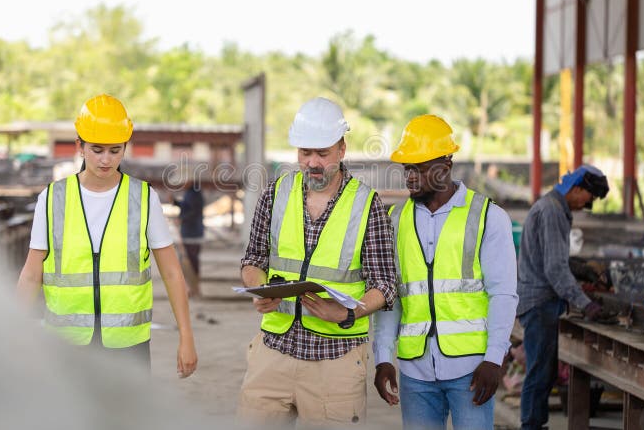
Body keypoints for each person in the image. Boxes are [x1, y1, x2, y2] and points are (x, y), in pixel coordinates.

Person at [238, 97, 397, 426]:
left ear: (342, 149)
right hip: (273, 353)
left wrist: (348, 311)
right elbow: (252, 260)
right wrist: (259, 288)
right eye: (304, 152)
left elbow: (386, 283)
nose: (312, 162)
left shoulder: (367, 204)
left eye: (322, 153)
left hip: (335, 361)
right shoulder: (275, 193)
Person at [16, 94, 198, 376]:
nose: (105, 159)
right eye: (97, 149)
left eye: (115, 150)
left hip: (128, 346)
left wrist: (186, 336)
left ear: (125, 148)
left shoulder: (143, 198)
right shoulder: (52, 199)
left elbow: (172, 273)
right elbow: (30, 275)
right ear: (80, 146)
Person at [372, 114, 519, 430]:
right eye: (407, 169)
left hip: (472, 369)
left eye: (420, 169)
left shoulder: (488, 217)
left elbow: (503, 293)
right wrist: (383, 356)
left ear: (446, 165)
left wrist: (495, 358)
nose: (410, 178)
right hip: (415, 372)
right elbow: (391, 296)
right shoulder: (395, 220)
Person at [516, 164, 609, 430]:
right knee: (540, 372)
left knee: (543, 371)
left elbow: (552, 258)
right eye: (588, 198)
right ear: (577, 188)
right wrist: (586, 303)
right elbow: (555, 269)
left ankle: (534, 424)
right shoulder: (553, 211)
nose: (587, 205)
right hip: (539, 304)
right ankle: (531, 425)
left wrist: (582, 269)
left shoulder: (551, 207)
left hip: (540, 302)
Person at [174, 181, 205, 297]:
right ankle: (191, 288)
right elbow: (186, 207)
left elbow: (194, 211)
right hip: (188, 233)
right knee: (186, 261)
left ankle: (195, 288)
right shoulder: (189, 192)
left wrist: (182, 219)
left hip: (194, 233)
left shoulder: (196, 193)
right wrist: (175, 202)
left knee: (192, 261)